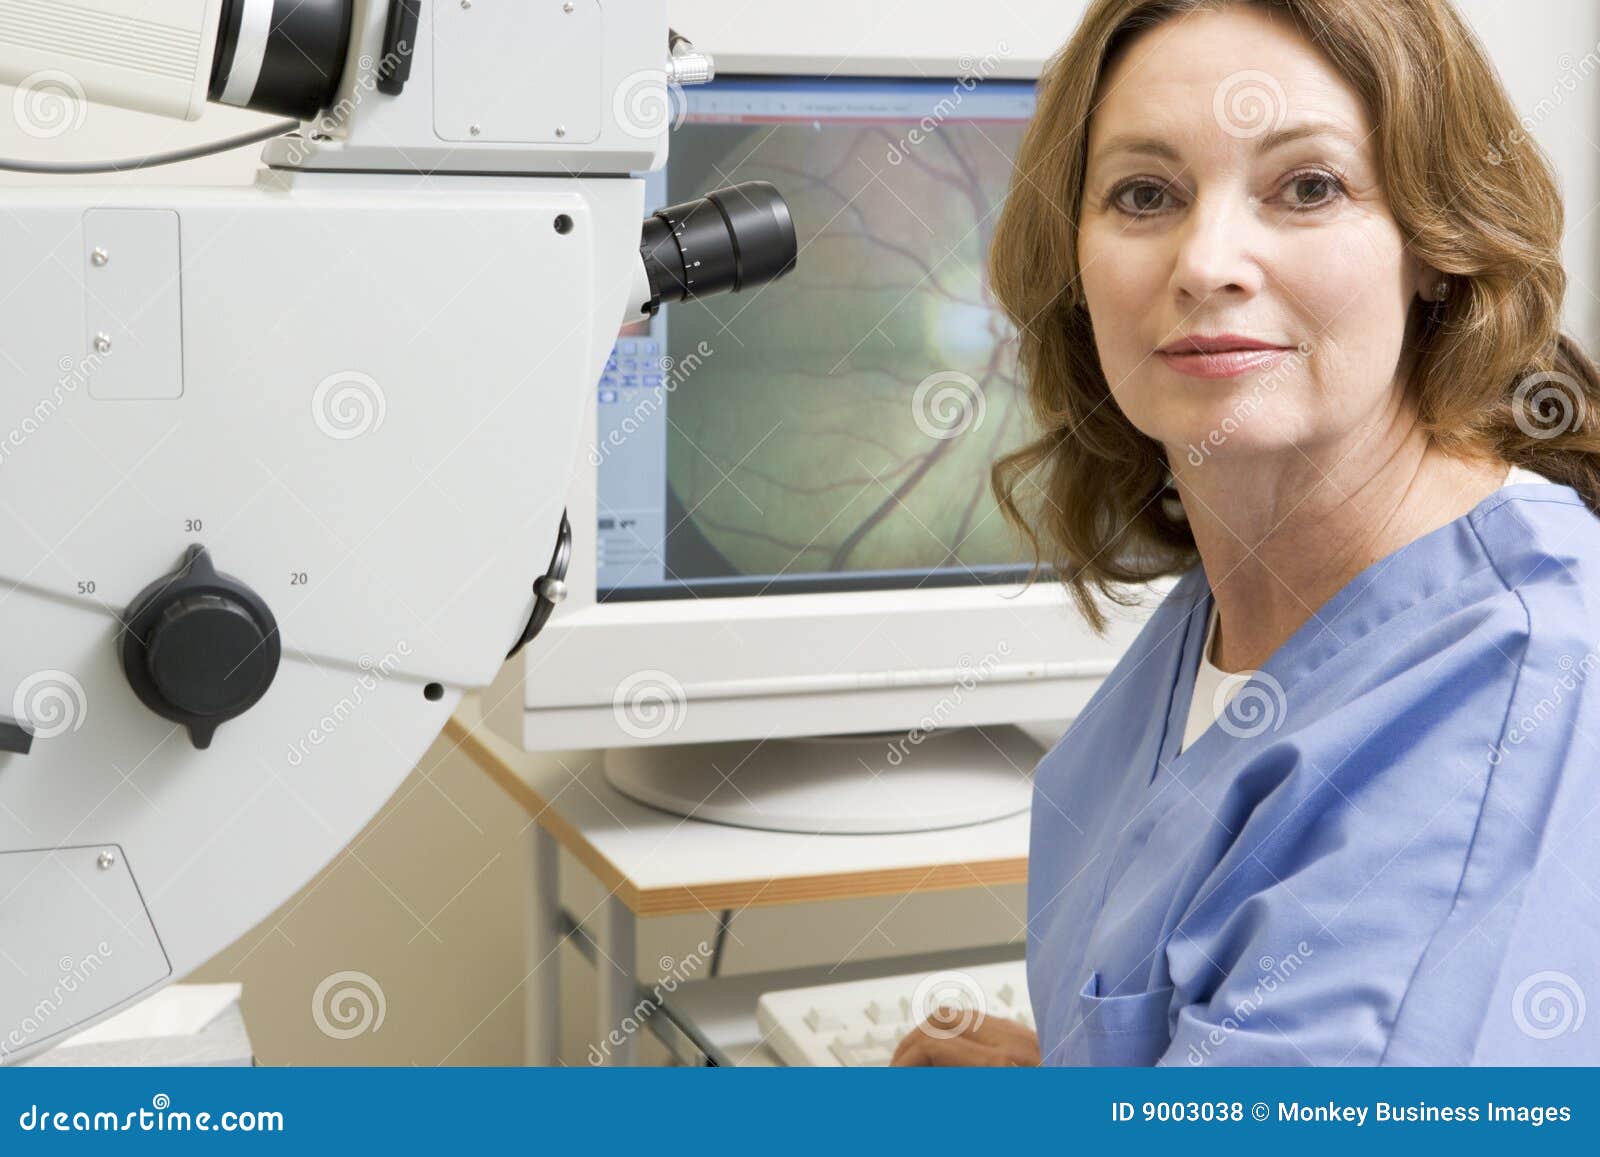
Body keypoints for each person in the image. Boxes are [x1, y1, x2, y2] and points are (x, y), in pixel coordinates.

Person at [892, 0, 1600, 1066]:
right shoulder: (1230, 609)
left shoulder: (1506, 689)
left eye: (1307, 187)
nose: (1205, 261)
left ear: (1433, 244)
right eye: (1144, 194)